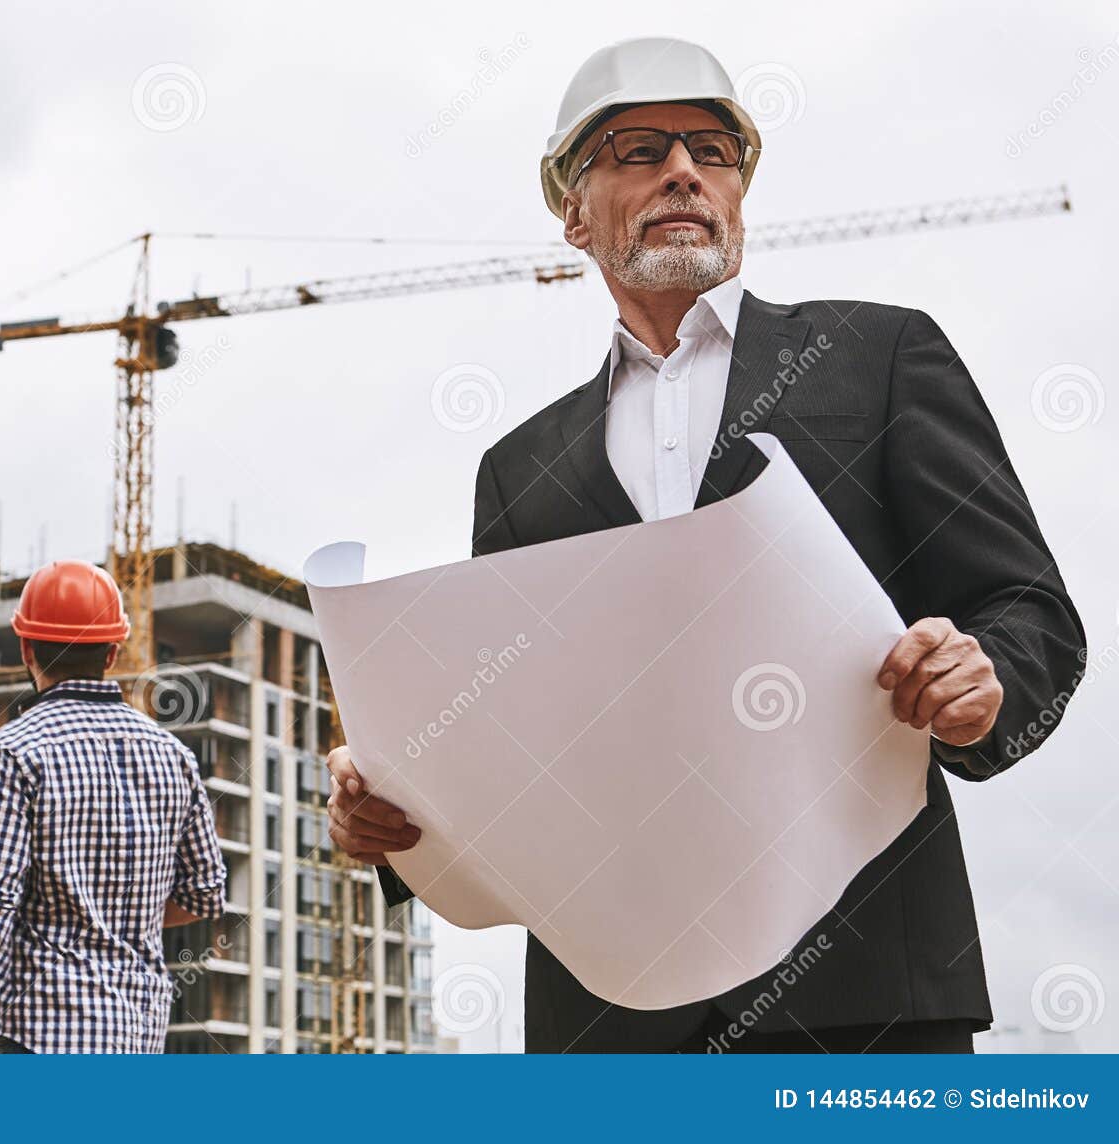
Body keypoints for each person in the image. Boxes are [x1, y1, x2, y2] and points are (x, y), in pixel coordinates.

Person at [326, 36, 1085, 1053]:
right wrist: (395, 820)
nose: (683, 168)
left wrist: (982, 679)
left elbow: (1029, 610)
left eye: (713, 148)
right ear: (572, 210)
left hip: (865, 994)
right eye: (637, 148)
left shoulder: (880, 359)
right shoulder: (520, 468)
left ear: (737, 190)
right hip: (610, 1024)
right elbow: (506, 739)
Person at [0, 560, 225, 1053]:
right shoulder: (175, 756)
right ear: (112, 651)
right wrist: (124, 913)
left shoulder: (16, 750)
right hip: (137, 1039)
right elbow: (205, 894)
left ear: (26, 648)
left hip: (41, 1038)